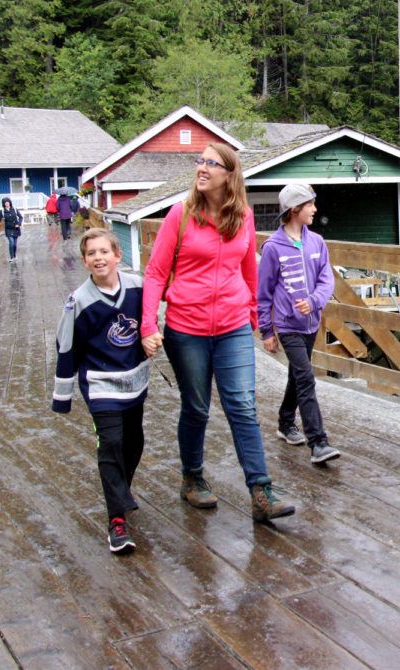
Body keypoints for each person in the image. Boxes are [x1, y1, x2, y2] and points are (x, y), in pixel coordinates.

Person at [140, 142, 295, 523]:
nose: (202, 168)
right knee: (196, 407)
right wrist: (148, 324)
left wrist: (257, 317)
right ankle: (192, 478)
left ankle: (261, 491)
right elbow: (156, 273)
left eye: (211, 163)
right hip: (186, 328)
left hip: (233, 327)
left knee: (242, 405)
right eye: (200, 161)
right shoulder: (180, 214)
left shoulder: (241, 215)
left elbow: (248, 272)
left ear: (230, 174)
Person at [53, 228, 151, 554]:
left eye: (104, 251)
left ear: (117, 255)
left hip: (135, 380)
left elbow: (150, 320)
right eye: (91, 253)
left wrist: (154, 335)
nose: (99, 257)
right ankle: (117, 521)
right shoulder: (79, 302)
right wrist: (62, 395)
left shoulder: (138, 287)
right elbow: (66, 347)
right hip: (100, 385)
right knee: (110, 443)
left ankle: (119, 489)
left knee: (134, 441)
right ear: (84, 261)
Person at [258, 184, 341, 464]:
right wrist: (267, 331)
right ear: (295, 209)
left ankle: (284, 422)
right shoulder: (272, 248)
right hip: (287, 325)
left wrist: (315, 301)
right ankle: (318, 442)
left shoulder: (317, 242)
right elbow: (264, 293)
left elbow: (326, 280)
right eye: (310, 205)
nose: (315, 210)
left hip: (311, 323)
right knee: (306, 377)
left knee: (298, 374)